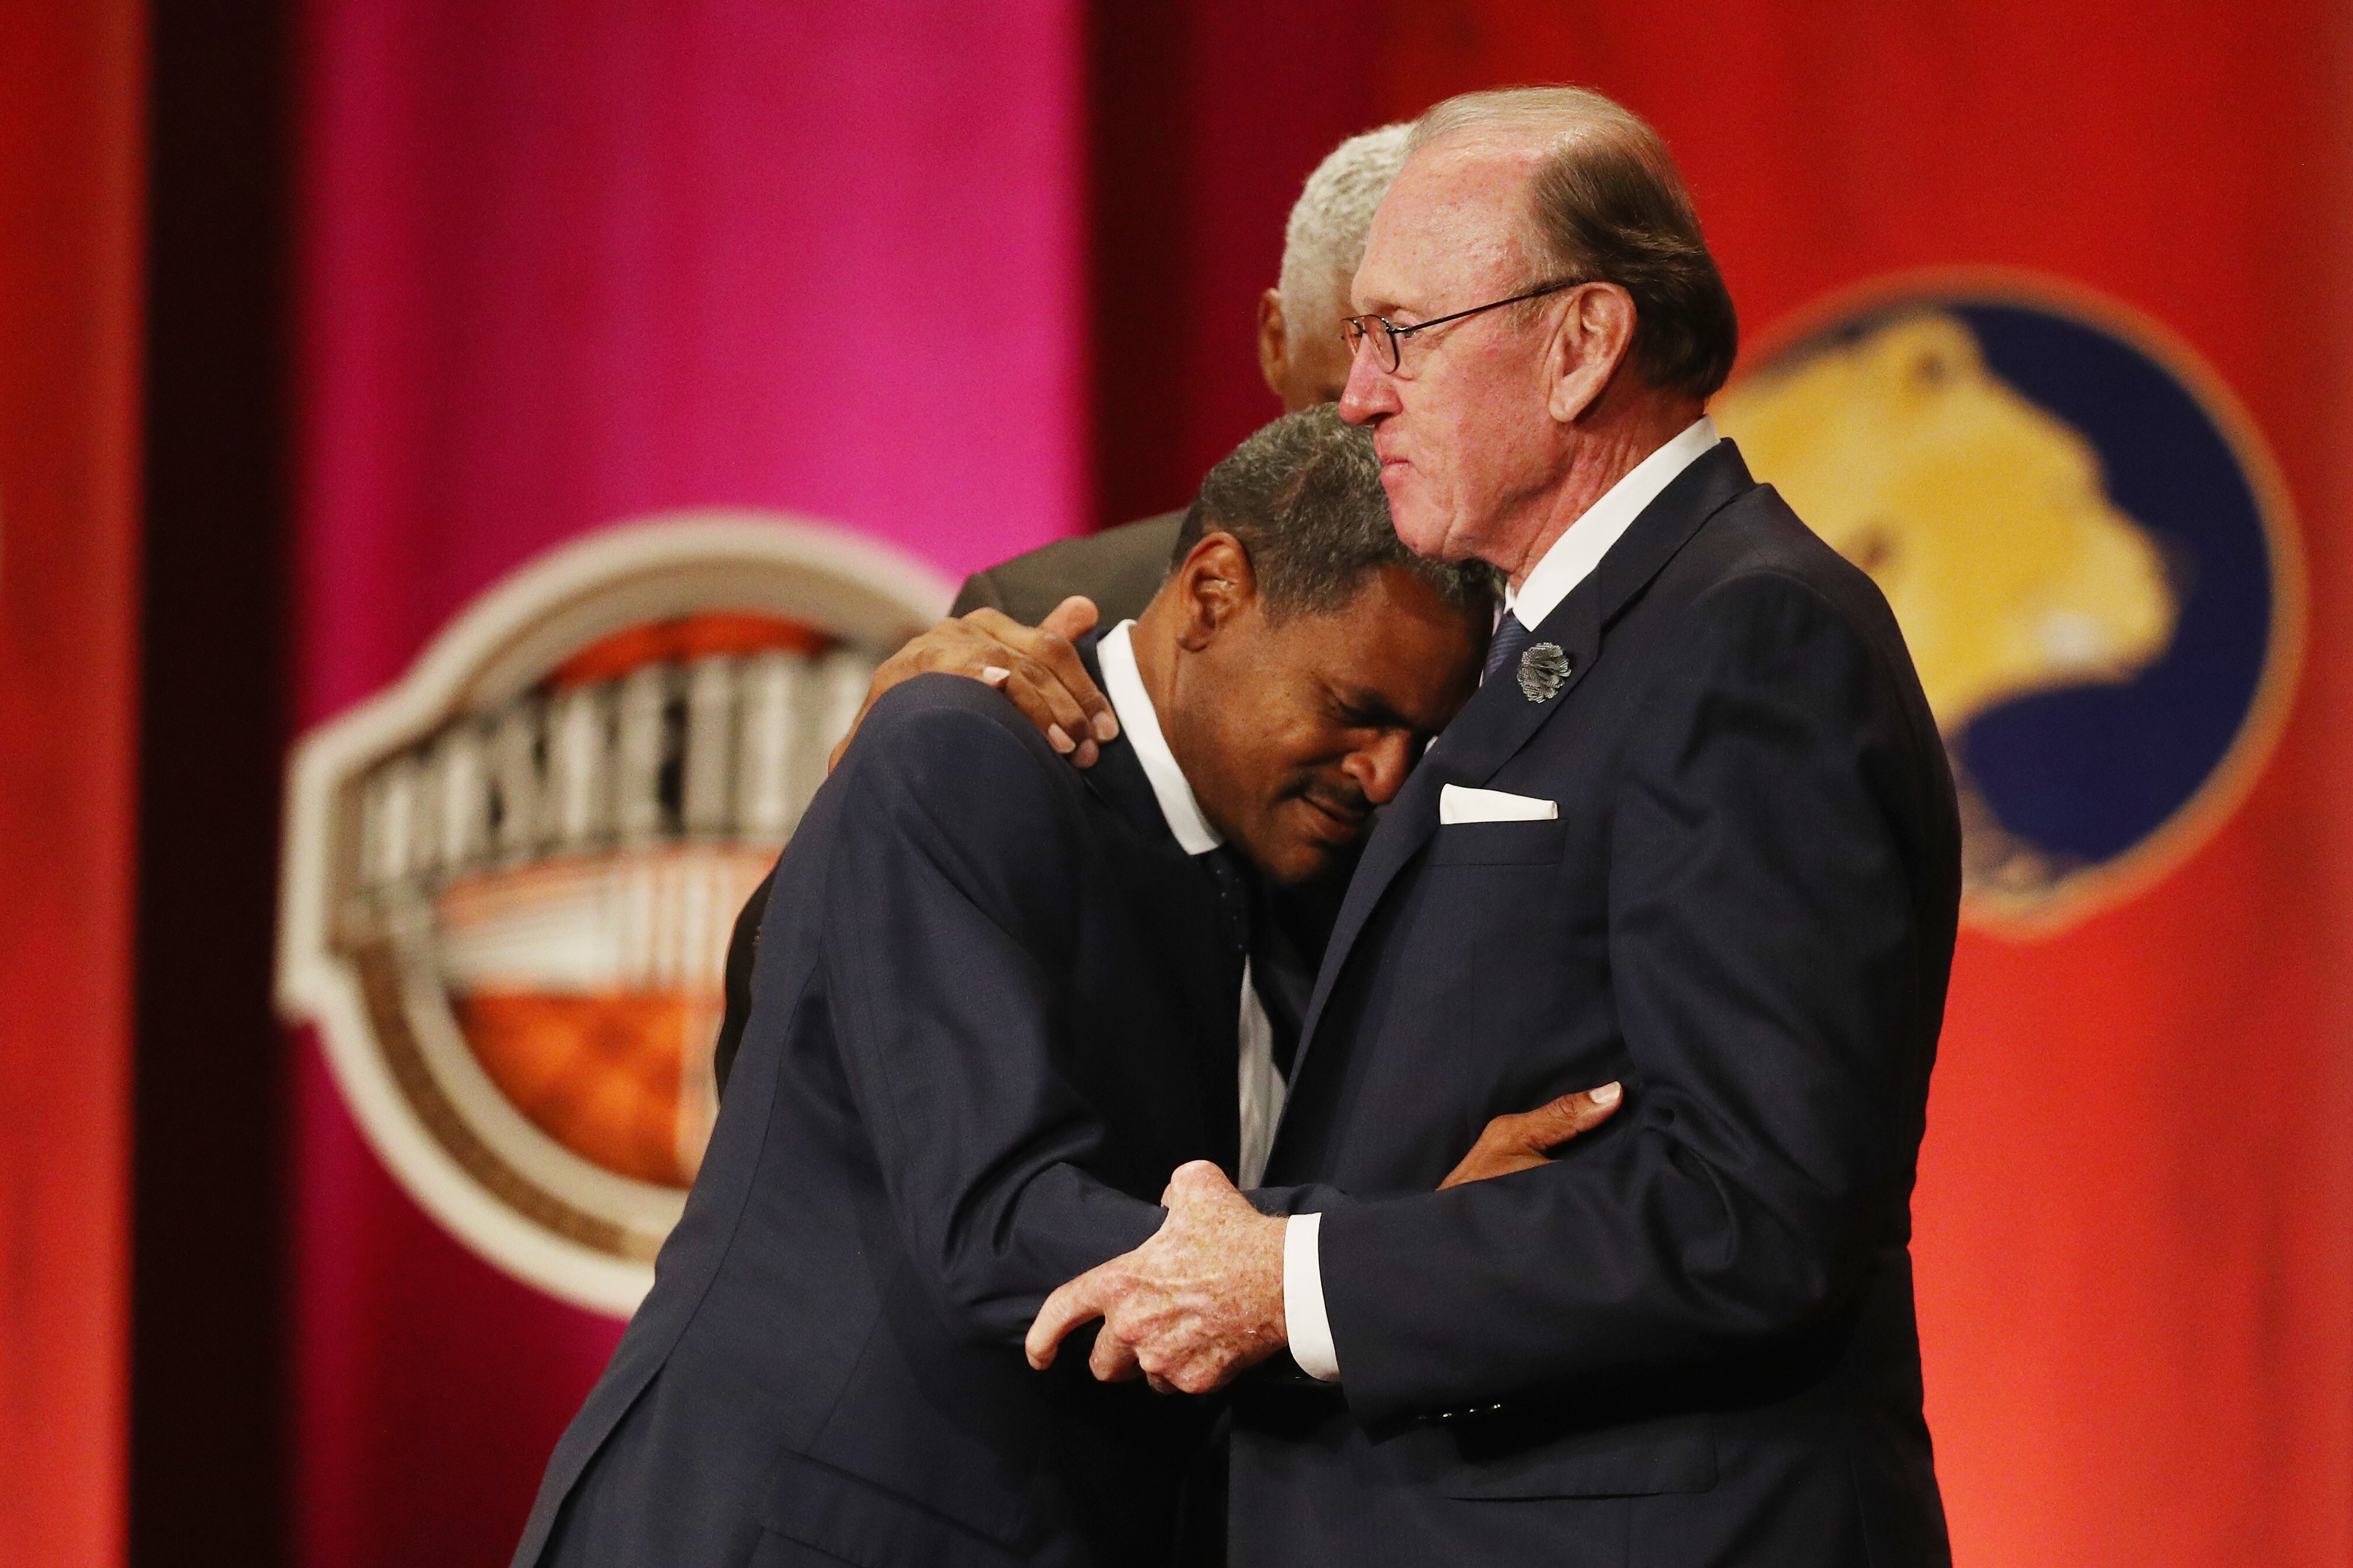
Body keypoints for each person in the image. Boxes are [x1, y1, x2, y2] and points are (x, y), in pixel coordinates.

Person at [1026, 87, 1963, 1566]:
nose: (1357, 394)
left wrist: (1300, 1276)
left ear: (1582, 344)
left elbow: (1749, 1208)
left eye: (1406, 334)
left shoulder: (1750, 636)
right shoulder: (1555, 636)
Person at [509, 409, 1605, 1568]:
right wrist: (1401, 1256)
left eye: (1419, 738)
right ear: (1214, 592)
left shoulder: (1241, 867)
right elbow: (999, 1222)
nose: (1386, 773)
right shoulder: (961, 748)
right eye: (1354, 709)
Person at [709, 125, 1413, 1100]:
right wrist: (867, 809)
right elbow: (791, 1048)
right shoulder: (1045, 619)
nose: (1380, 477)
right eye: (1347, 411)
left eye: (1413, 418)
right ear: (1272, 343)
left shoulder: (1554, 635)